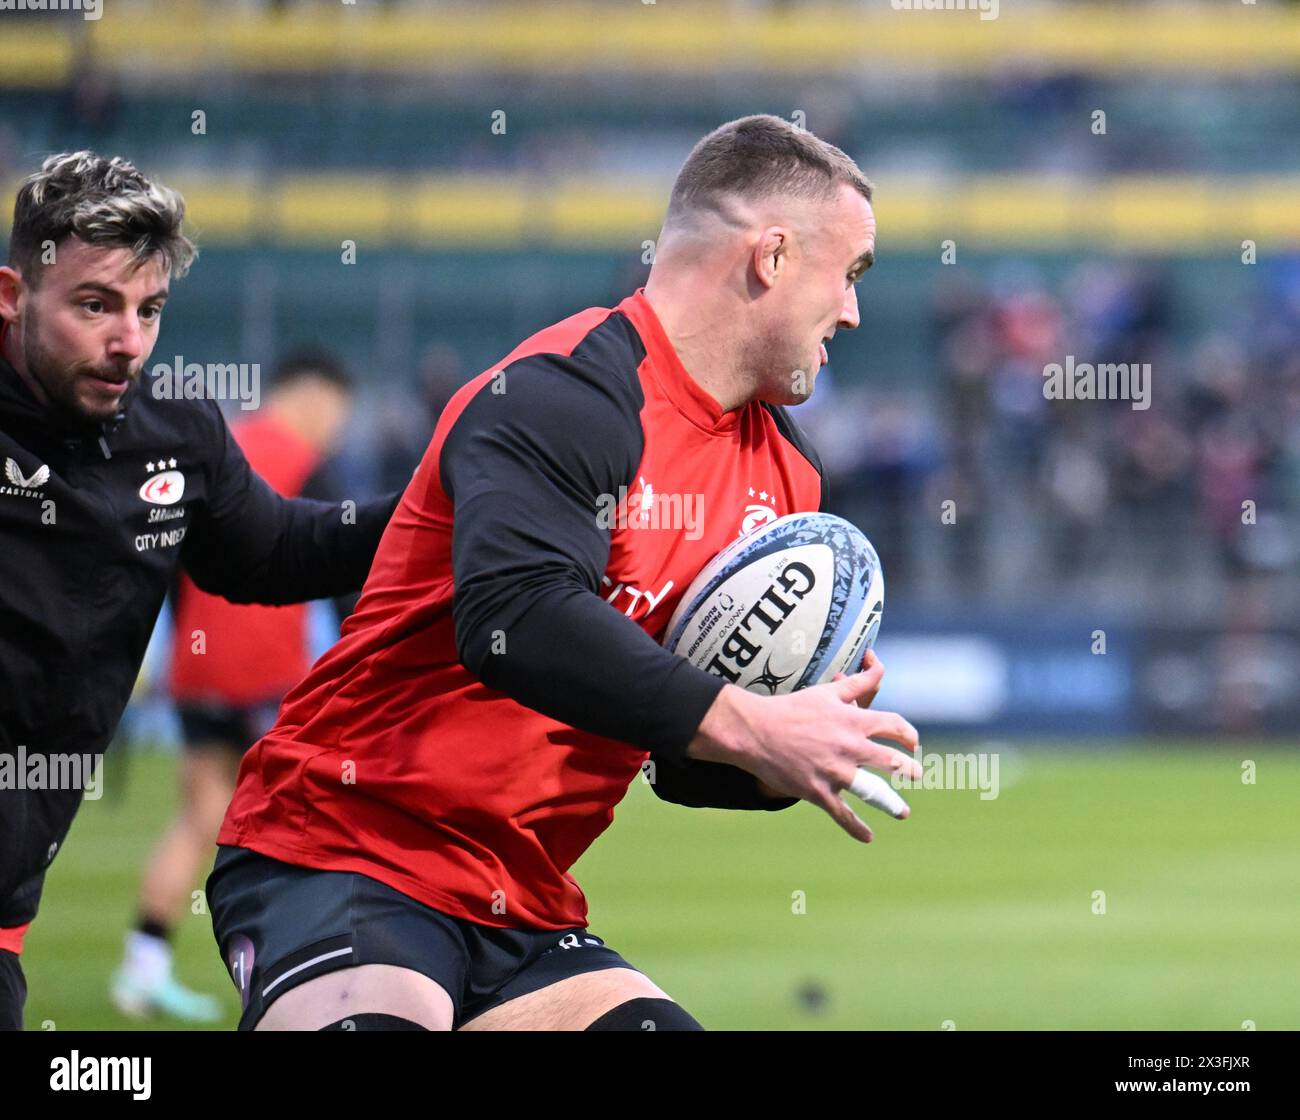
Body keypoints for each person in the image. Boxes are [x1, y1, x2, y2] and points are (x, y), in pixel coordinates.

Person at [208, 115, 922, 1032]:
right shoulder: (562, 393)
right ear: (772, 256)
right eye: (851, 272)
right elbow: (514, 617)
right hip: (347, 847)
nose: (855, 312)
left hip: (522, 905)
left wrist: (787, 752)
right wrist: (743, 720)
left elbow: (681, 760)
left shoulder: (790, 477)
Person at [0, 152, 398, 1031]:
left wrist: (444, 502)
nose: (128, 341)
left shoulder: (178, 439)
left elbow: (279, 551)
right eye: (94, 305)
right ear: (11, 296)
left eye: (149, 311)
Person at [110, 349, 359, 1022]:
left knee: (199, 817)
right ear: (314, 398)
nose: (336, 427)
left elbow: (165, 561)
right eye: (336, 413)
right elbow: (339, 575)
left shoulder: (214, 450)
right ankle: (296, 975)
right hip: (264, 677)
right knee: (303, 822)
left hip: (198, 674)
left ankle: (143, 966)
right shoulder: (307, 463)